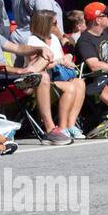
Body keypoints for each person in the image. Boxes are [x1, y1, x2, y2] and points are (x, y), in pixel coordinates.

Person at [0, 3, 57, 145]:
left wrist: (39, 49)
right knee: (41, 76)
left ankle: (50, 130)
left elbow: (18, 48)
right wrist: (19, 71)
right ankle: (27, 77)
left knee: (44, 72)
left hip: (8, 77)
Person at [26, 10, 86, 140]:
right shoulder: (32, 41)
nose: (57, 25)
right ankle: (62, 127)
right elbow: (36, 66)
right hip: (42, 81)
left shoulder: (53, 38)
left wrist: (67, 58)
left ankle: (71, 124)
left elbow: (61, 56)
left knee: (80, 83)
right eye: (55, 23)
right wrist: (58, 61)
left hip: (59, 76)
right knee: (70, 88)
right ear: (45, 24)